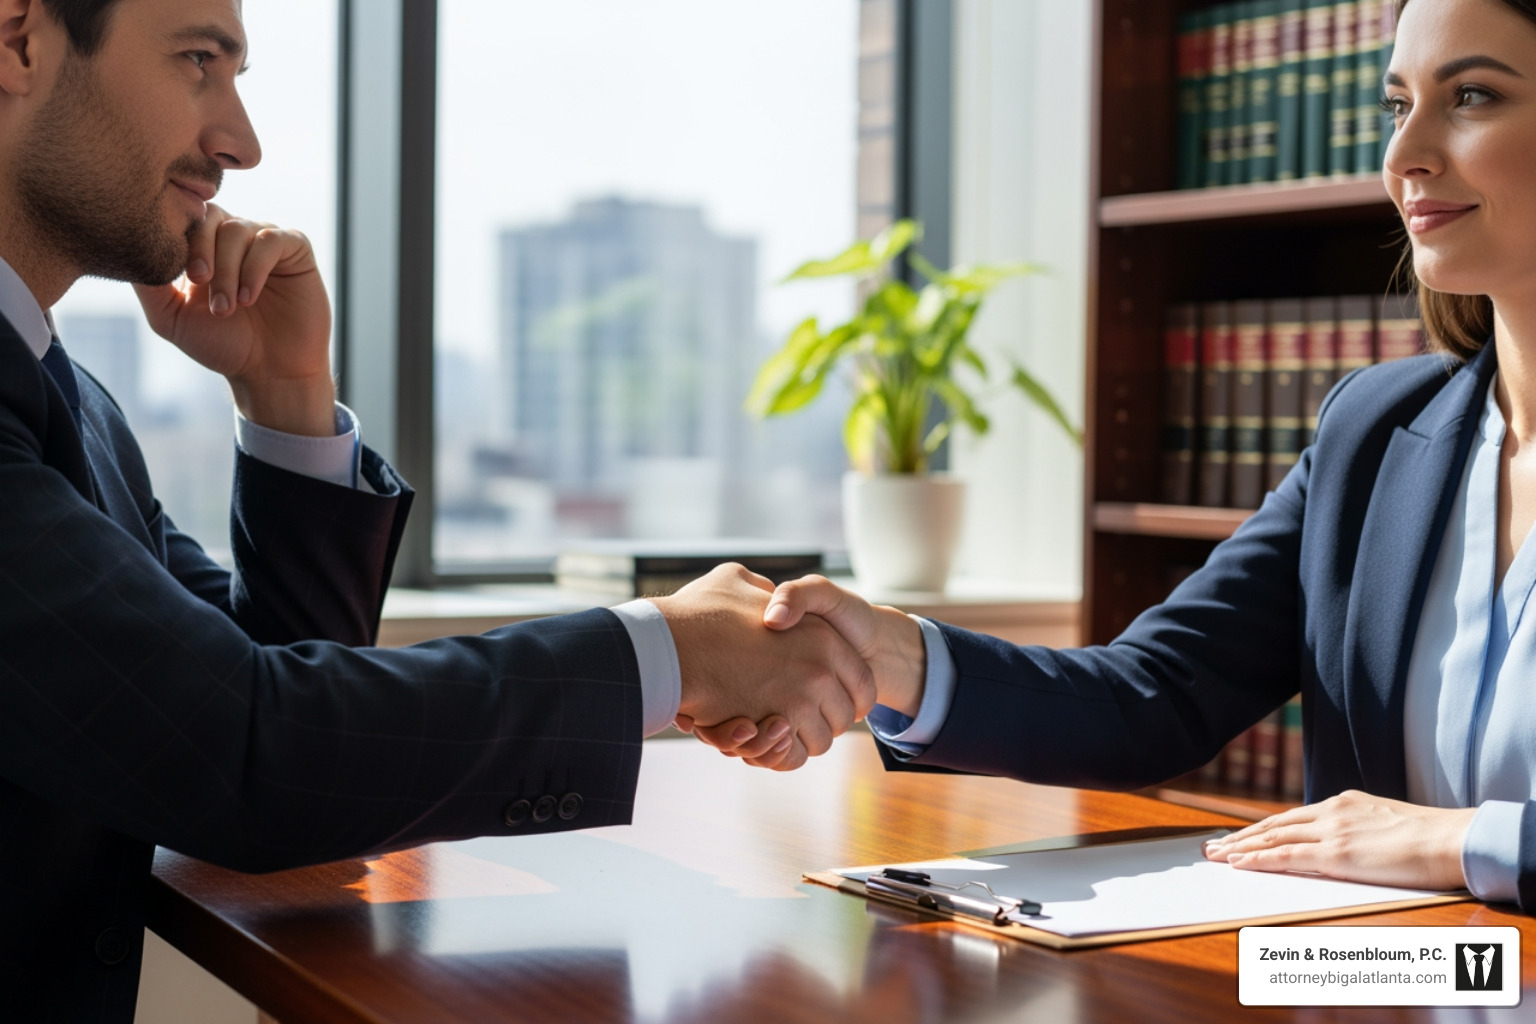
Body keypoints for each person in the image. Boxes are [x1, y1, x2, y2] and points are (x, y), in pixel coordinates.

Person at [0, 0, 872, 1018]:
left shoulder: (70, 400)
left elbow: (263, 704)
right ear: (18, 40)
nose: (240, 140)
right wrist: (663, 651)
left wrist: (286, 398)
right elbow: (245, 749)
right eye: (199, 61)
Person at [702, 0, 1536, 913]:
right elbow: (1157, 694)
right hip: (1386, 983)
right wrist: (888, 654)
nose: (1404, 154)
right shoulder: (1373, 432)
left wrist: (1465, 839)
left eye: (1472, 96)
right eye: (1396, 104)